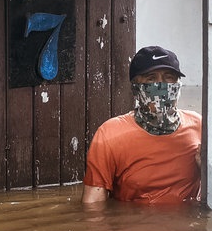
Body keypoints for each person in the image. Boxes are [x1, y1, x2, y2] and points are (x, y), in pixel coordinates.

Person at [81, 45, 202, 205]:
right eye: (151, 78)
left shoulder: (199, 127)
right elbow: (93, 207)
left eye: (169, 78)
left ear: (179, 86)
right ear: (136, 89)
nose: (161, 86)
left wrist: (207, 171)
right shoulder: (110, 135)